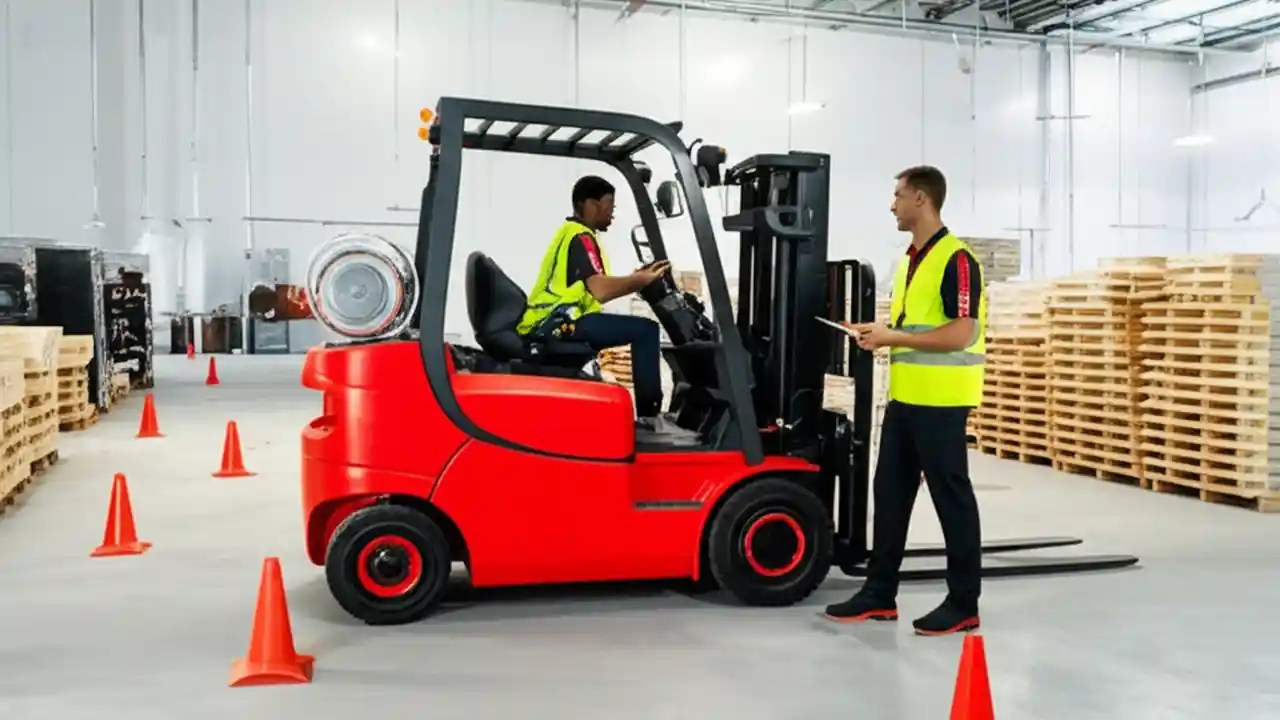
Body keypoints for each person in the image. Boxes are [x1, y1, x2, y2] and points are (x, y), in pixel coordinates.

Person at [823, 165, 987, 636]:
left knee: (951, 500)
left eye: (897, 195)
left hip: (941, 402)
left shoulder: (956, 259)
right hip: (906, 401)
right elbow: (914, 331)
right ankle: (879, 595)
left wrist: (891, 336)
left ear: (920, 198)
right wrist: (878, 335)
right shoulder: (911, 260)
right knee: (889, 496)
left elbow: (962, 332)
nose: (891, 204)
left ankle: (963, 602)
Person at [517, 175, 671, 423]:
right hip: (558, 324)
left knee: (640, 329)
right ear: (590, 204)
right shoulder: (581, 237)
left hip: (557, 320)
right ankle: (649, 418)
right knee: (646, 331)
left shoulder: (572, 233)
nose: (612, 212)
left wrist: (636, 277)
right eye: (609, 204)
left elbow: (595, 285)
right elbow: (601, 290)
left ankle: (648, 417)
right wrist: (640, 281)